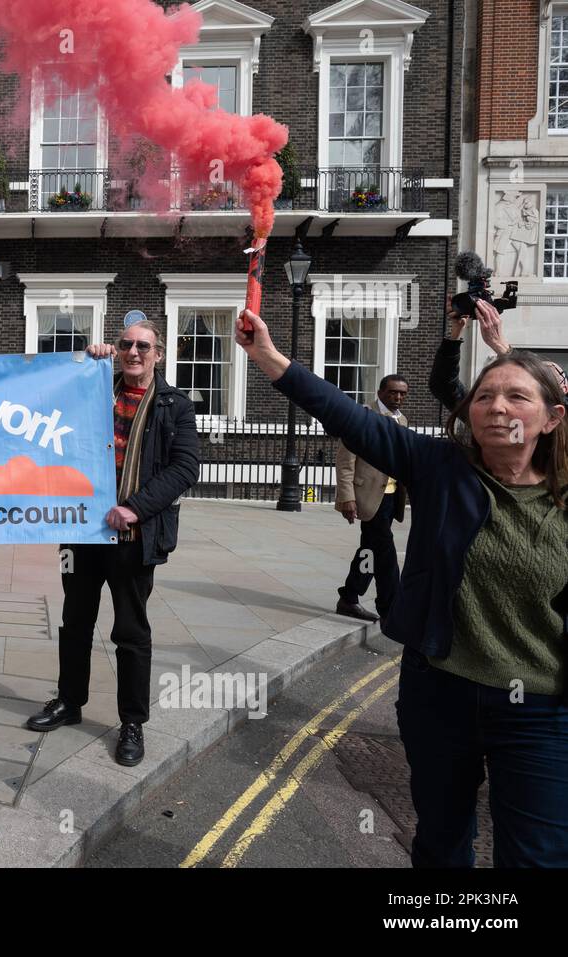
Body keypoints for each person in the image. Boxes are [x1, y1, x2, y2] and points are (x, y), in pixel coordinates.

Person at [236, 305, 568, 867]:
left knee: (537, 856)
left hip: (539, 709)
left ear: (552, 418)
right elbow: (346, 417)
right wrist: (268, 357)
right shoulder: (440, 466)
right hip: (440, 693)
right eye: (484, 396)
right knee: (440, 841)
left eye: (516, 397)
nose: (496, 408)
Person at [26, 310, 201, 766]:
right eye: (125, 344)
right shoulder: (95, 388)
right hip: (81, 533)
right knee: (75, 621)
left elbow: (184, 469)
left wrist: (135, 508)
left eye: (144, 346)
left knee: (130, 632)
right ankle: (70, 702)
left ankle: (132, 723)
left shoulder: (175, 406)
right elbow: (48, 406)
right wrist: (85, 362)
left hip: (134, 536)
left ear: (158, 355)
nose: (133, 352)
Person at [334, 374, 409, 622]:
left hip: (390, 497)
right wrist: (347, 497)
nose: (398, 397)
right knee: (386, 552)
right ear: (380, 392)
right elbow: (346, 461)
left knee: (370, 550)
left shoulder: (402, 420)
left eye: (402, 393)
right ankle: (392, 606)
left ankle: (349, 596)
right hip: (367, 495)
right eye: (392, 392)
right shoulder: (363, 416)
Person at [432, 296, 568, 410]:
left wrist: (501, 346)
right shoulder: (488, 412)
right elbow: (443, 385)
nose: (498, 409)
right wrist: (456, 332)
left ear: (564, 388)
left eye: (543, 374)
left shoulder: (560, 424)